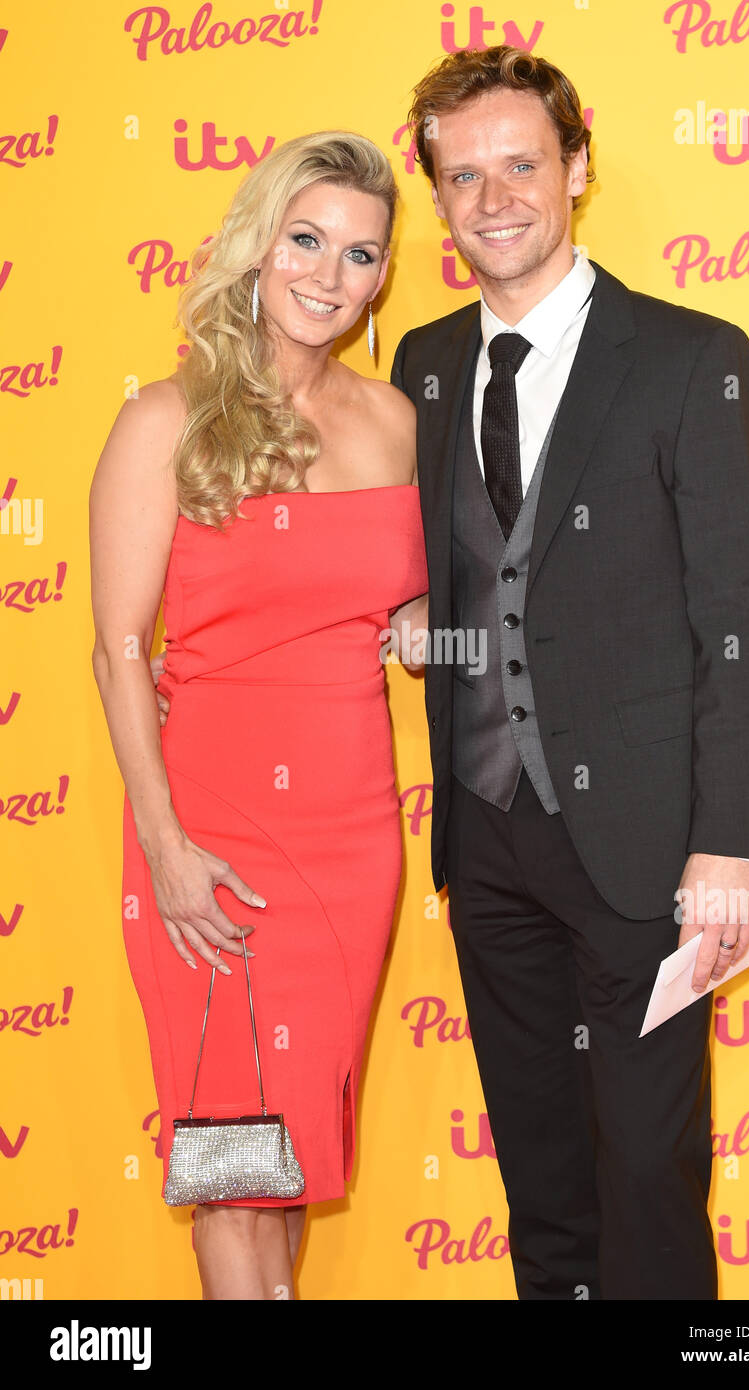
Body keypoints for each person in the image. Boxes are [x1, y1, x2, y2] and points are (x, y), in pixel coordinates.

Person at [391, 46, 749, 1300]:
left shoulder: (689, 356)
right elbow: (462, 599)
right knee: (541, 1173)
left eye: (519, 164)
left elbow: (740, 613)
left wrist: (724, 847)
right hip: (489, 842)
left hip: (645, 844)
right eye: (462, 175)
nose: (492, 197)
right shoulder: (422, 363)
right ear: (438, 199)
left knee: (646, 1171)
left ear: (575, 166)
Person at [90, 131, 428, 1301]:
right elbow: (119, 652)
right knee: (230, 1162)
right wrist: (169, 850)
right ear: (258, 241)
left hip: (349, 840)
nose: (328, 276)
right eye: (305, 240)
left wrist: (425, 617)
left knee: (279, 1164)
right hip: (210, 833)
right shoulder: (164, 420)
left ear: (383, 274)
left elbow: (410, 591)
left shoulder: (393, 424)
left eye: (358, 254)